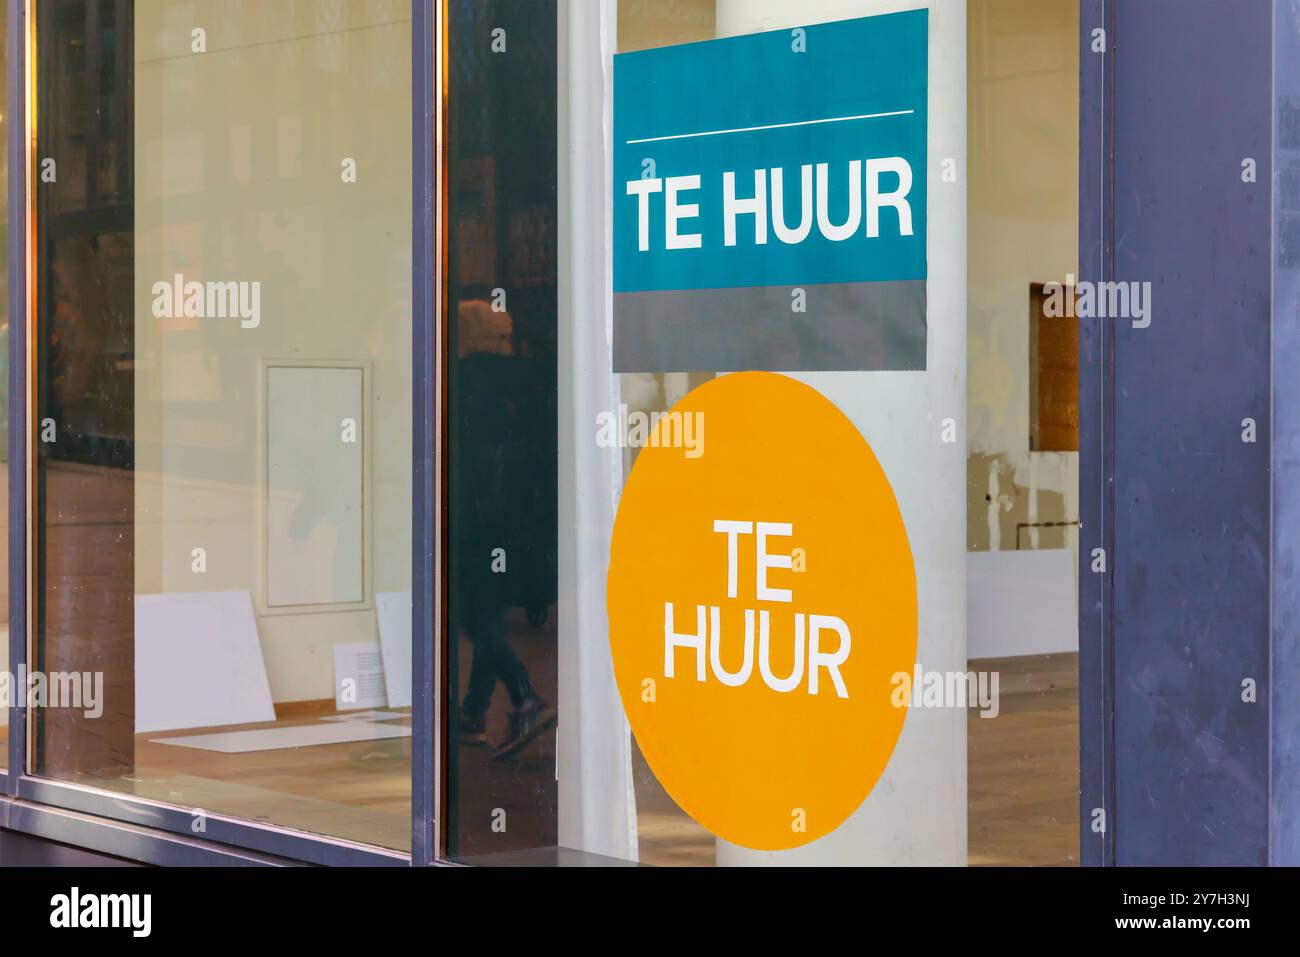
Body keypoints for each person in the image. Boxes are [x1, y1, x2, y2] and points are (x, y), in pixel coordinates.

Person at [454, 297, 556, 759]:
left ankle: (524, 696)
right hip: (515, 520)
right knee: (486, 615)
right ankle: (474, 712)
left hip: (478, 522)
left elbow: (470, 462)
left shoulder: (467, 383)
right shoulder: (522, 382)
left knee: (475, 619)